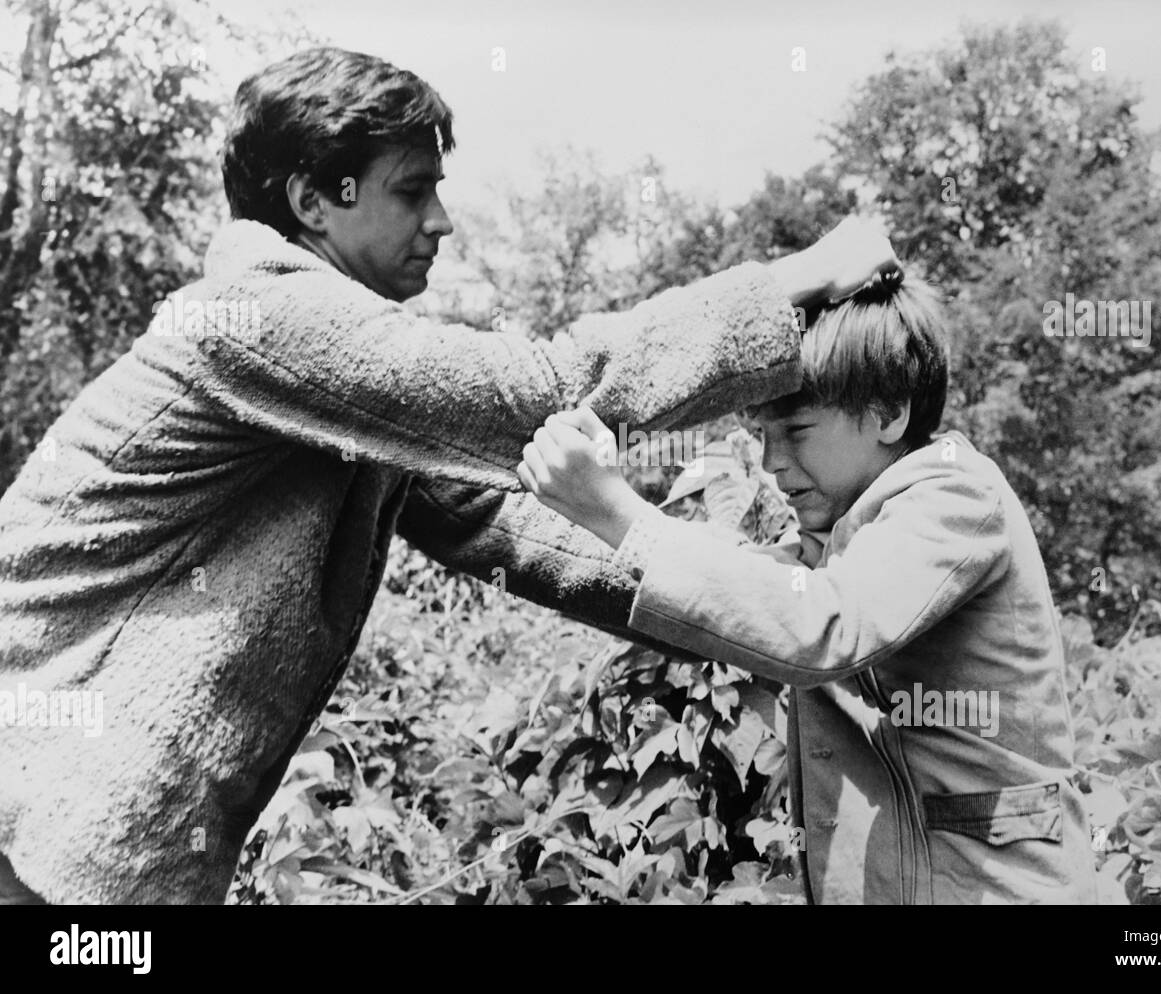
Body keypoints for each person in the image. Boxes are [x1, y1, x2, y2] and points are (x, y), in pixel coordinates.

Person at [0, 46, 901, 904]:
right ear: (314, 198)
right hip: (32, 811)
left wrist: (800, 613)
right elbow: (542, 394)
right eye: (412, 191)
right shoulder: (254, 318)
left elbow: (528, 532)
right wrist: (795, 280)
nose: (442, 220)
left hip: (76, 840)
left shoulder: (350, 395)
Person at [518, 277, 1100, 904]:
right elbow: (744, 581)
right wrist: (595, 503)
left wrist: (617, 511)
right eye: (761, 435)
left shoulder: (955, 496)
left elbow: (821, 626)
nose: (770, 462)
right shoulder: (845, 530)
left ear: (888, 412)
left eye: (795, 431)